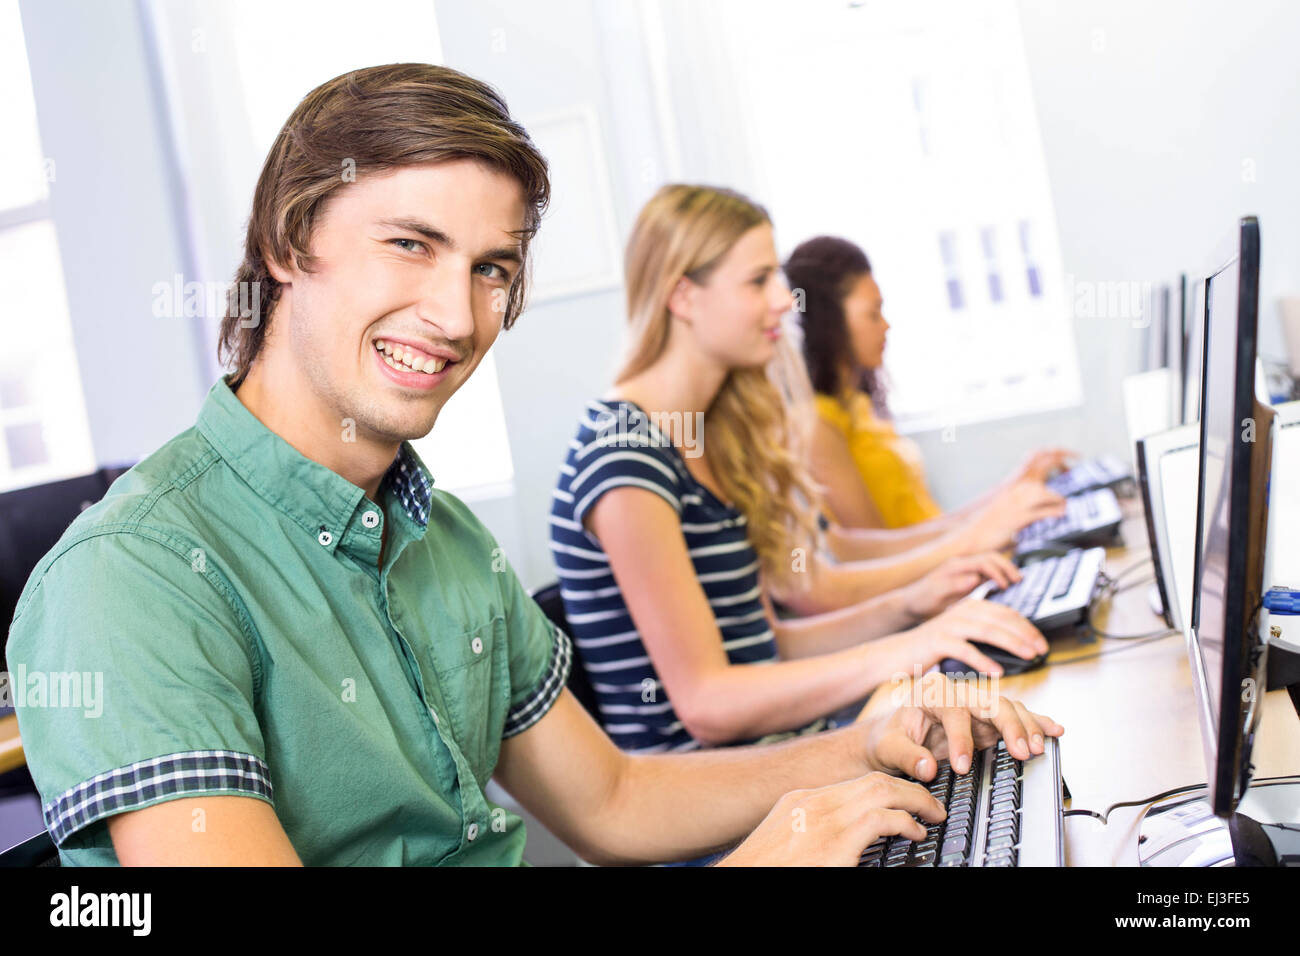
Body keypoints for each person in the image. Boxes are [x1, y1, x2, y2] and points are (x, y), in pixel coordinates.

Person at [5, 64, 1060, 867]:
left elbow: (612, 799)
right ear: (288, 243)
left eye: (491, 267)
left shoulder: (445, 538)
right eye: (409, 245)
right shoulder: (130, 581)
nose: (457, 314)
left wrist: (864, 745)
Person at [549, 184, 1053, 757]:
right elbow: (709, 703)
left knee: (1003, 733)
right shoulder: (625, 455)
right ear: (684, 296)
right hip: (717, 805)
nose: (785, 301)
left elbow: (767, 647)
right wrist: (904, 648)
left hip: (782, 753)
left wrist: (912, 610)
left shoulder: (712, 434)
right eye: (758, 280)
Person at [784, 235, 1073, 532]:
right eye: (873, 313)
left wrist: (1014, 488)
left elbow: (931, 527)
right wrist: (994, 516)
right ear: (829, 324)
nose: (886, 325)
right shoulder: (818, 424)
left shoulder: (857, 404)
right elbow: (879, 551)